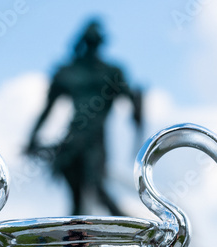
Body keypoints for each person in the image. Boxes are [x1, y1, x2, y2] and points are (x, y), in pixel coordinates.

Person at [26, 19, 143, 216]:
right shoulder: (71, 72)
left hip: (94, 140)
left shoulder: (110, 73)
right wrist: (32, 139)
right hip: (73, 141)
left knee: (95, 189)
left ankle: (130, 233)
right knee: (79, 197)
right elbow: (47, 110)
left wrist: (137, 109)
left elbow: (132, 102)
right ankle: (81, 239)